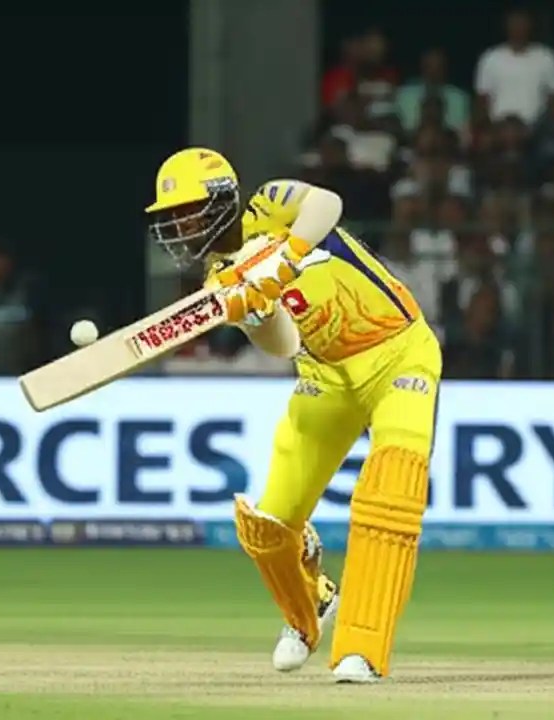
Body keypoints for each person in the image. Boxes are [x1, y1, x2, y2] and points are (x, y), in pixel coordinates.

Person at [144, 148, 440, 684]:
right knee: (267, 526)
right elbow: (284, 345)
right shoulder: (220, 284)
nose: (179, 226)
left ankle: (362, 651)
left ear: (218, 202)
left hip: (400, 351)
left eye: (185, 211)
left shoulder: (270, 204)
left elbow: (327, 203)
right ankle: (311, 607)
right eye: (172, 218)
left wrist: (285, 258)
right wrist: (260, 307)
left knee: (391, 492)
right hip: (325, 378)